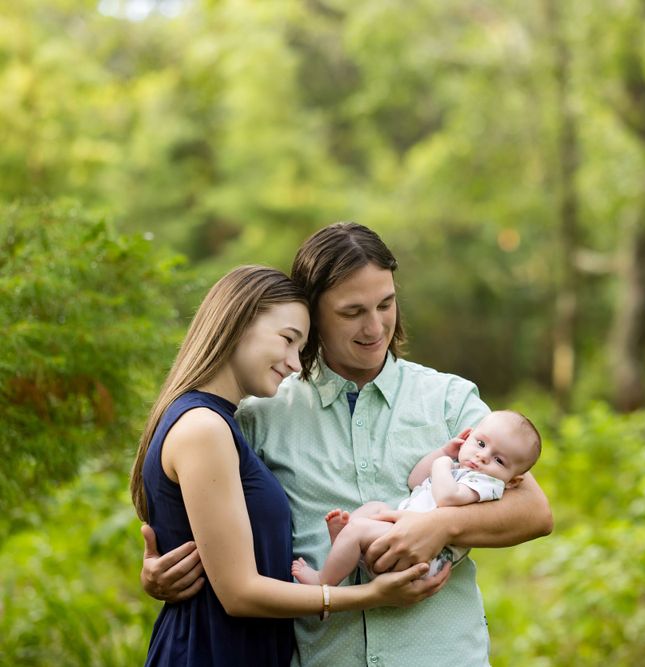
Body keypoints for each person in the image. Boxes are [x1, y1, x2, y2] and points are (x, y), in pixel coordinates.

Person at [140, 224, 553, 667]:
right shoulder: (263, 407)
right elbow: (211, 521)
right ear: (313, 315)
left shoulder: (449, 399)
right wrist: (160, 572)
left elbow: (533, 510)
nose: (374, 326)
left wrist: (441, 527)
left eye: (385, 304)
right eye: (352, 312)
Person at [131, 265, 442, 667]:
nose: (295, 363)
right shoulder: (204, 428)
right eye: (287, 339)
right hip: (210, 651)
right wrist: (371, 595)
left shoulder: (222, 423)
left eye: (302, 347)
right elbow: (239, 593)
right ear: (238, 323)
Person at [291, 410, 542, 587]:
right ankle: (345, 544)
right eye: (480, 443)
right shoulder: (459, 469)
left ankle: (323, 580)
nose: (483, 456)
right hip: (403, 535)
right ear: (468, 436)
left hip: (424, 557)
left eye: (499, 460)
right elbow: (415, 481)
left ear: (513, 481)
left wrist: (442, 464)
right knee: (375, 507)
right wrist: (443, 452)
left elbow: (447, 498)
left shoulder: (488, 484)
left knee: (358, 529)